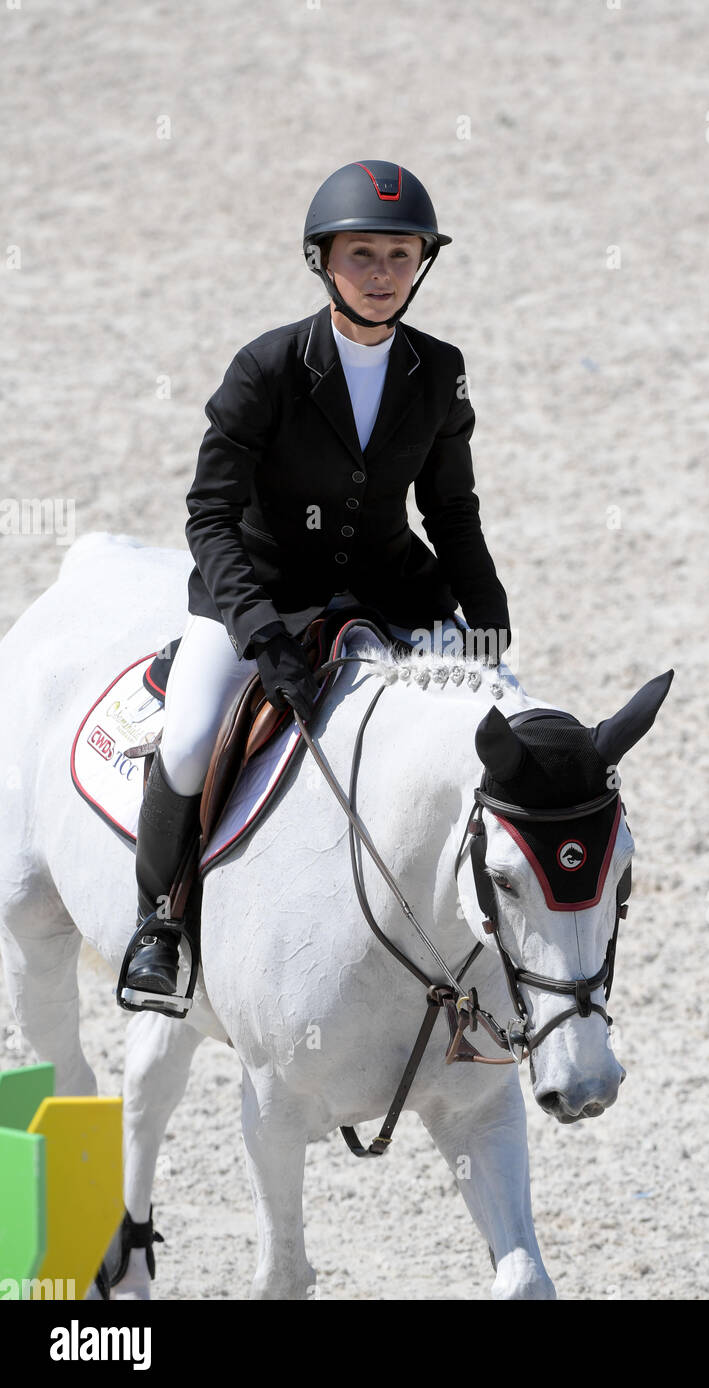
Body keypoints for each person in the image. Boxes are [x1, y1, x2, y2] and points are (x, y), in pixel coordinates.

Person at [122, 159, 512, 1011]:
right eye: (362, 255)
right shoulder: (268, 368)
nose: (382, 276)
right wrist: (259, 633)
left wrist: (487, 614)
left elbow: (452, 508)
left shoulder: (440, 370)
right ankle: (158, 925)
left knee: (491, 724)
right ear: (323, 262)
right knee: (189, 739)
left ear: (423, 264)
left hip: (391, 590)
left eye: (400, 257)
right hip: (259, 590)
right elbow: (209, 515)